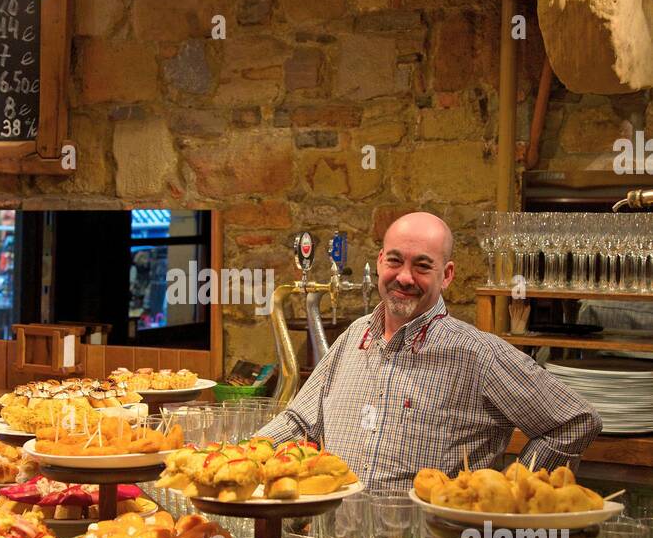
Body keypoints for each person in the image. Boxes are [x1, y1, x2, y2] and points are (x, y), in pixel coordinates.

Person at [258, 211, 602, 494]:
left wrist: (509, 493)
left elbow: (574, 422)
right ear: (380, 262)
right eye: (395, 261)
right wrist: (235, 457)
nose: (404, 277)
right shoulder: (354, 338)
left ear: (447, 275)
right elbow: (299, 422)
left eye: (422, 266)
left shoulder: (477, 355)